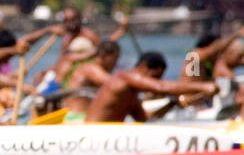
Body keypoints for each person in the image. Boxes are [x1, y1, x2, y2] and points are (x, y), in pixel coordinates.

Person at [86, 51, 216, 123]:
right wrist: (203, 87)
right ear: (142, 67)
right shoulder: (124, 76)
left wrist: (170, 104)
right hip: (92, 133)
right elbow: (160, 87)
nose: (154, 82)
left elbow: (144, 121)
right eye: (154, 77)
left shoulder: (131, 96)